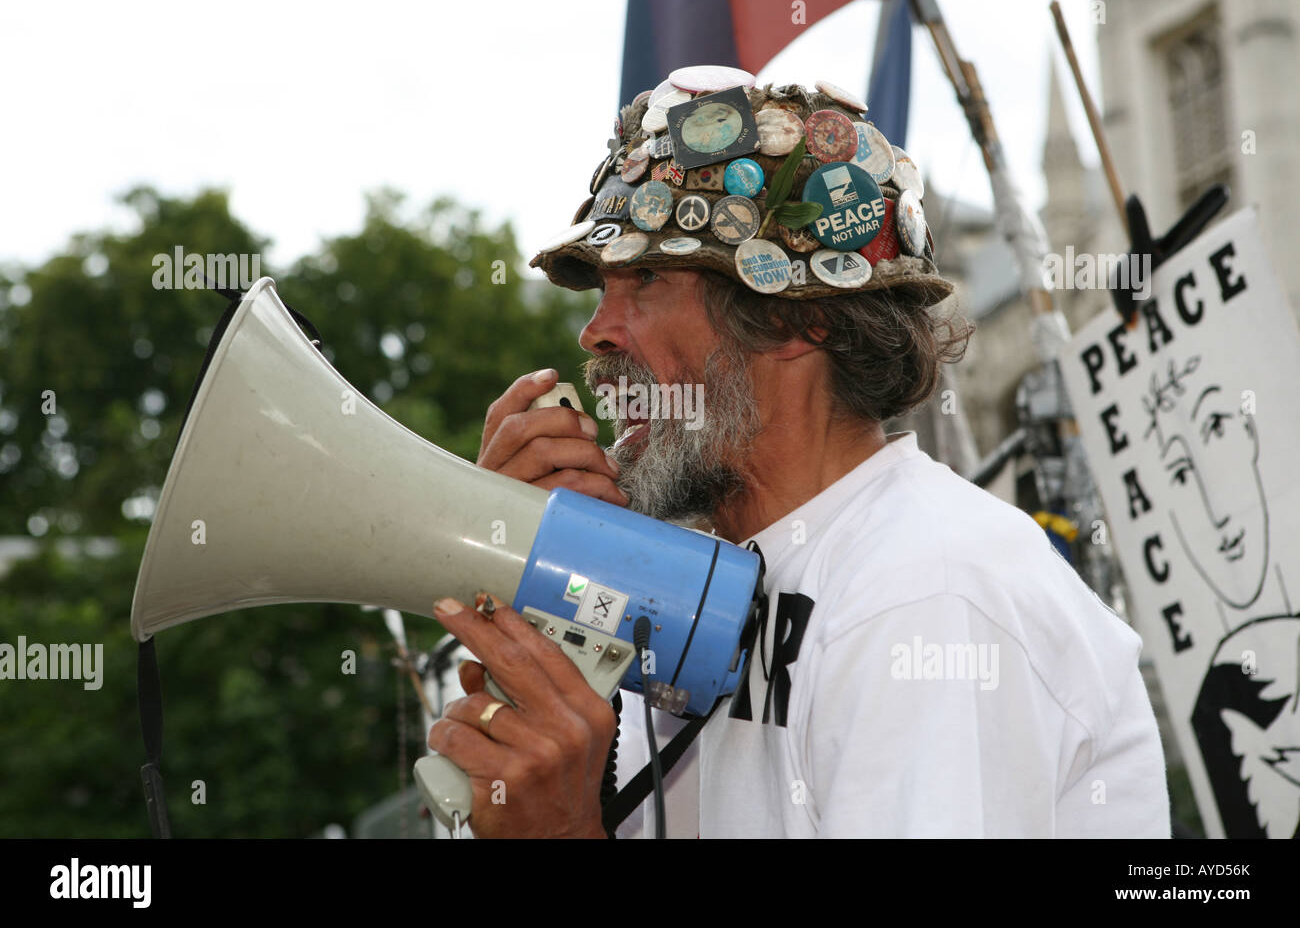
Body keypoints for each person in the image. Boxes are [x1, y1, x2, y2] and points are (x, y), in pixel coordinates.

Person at [426, 72, 1171, 838]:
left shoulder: (927, 592)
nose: (596, 333)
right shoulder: (696, 580)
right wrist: (527, 564)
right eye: (601, 291)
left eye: (645, 279)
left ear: (796, 321)